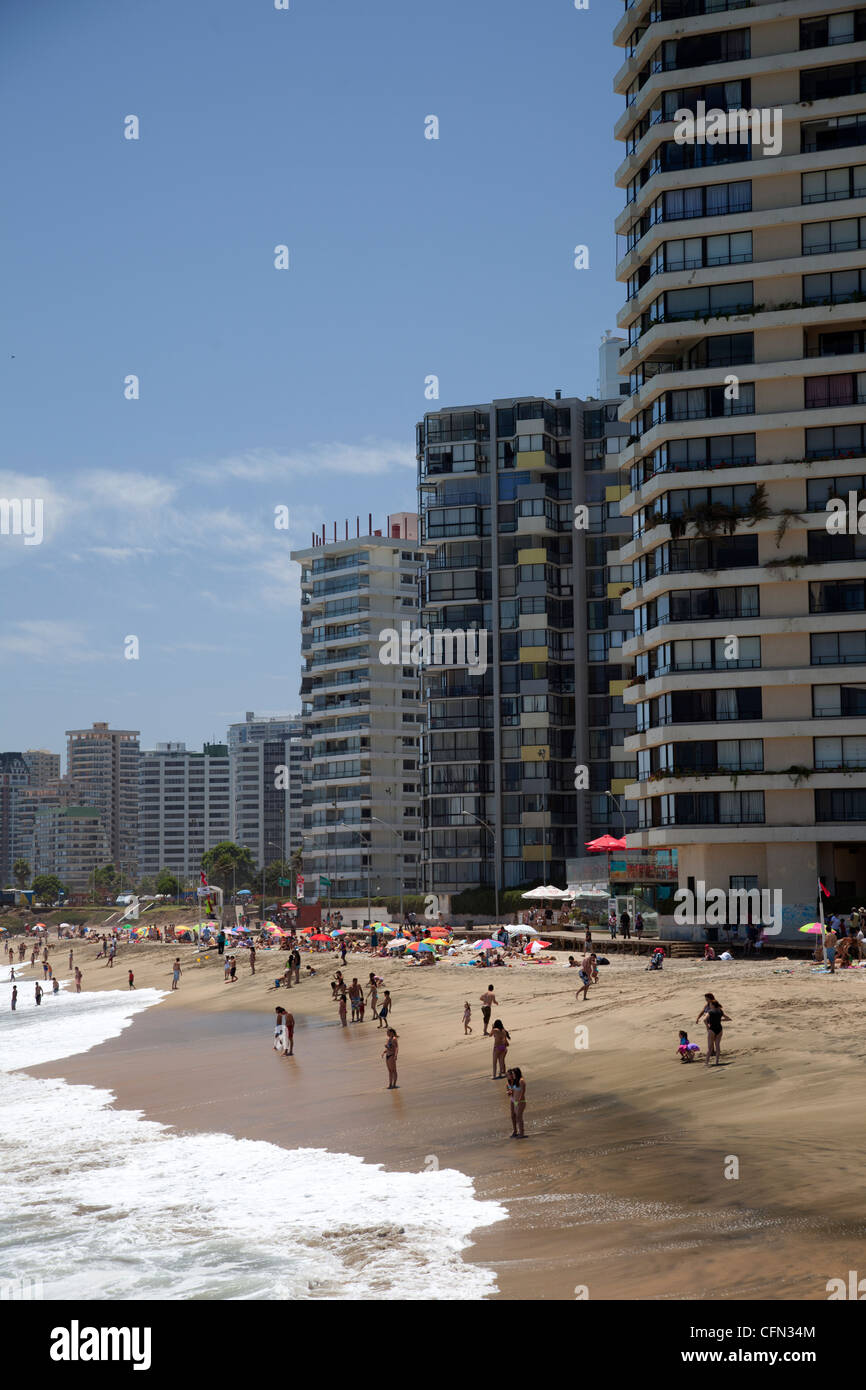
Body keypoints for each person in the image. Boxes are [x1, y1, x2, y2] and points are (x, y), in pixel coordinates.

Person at [696, 993, 731, 1066]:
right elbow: (728, 1019)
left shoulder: (710, 1011)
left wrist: (707, 1027)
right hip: (719, 1029)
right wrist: (719, 1020)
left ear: (712, 1004)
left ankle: (706, 1063)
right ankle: (717, 1062)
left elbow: (704, 1020)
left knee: (710, 1047)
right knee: (717, 1046)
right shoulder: (720, 1011)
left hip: (712, 1029)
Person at [507, 1067, 526, 1138]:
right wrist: (510, 1092)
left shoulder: (521, 1081)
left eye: (514, 1074)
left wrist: (519, 1101)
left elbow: (523, 1092)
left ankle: (522, 1133)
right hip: (515, 1102)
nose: (513, 1075)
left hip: (521, 1101)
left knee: (519, 1117)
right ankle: (520, 1132)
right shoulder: (516, 1081)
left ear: (517, 1073)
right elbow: (514, 1092)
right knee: (517, 1117)